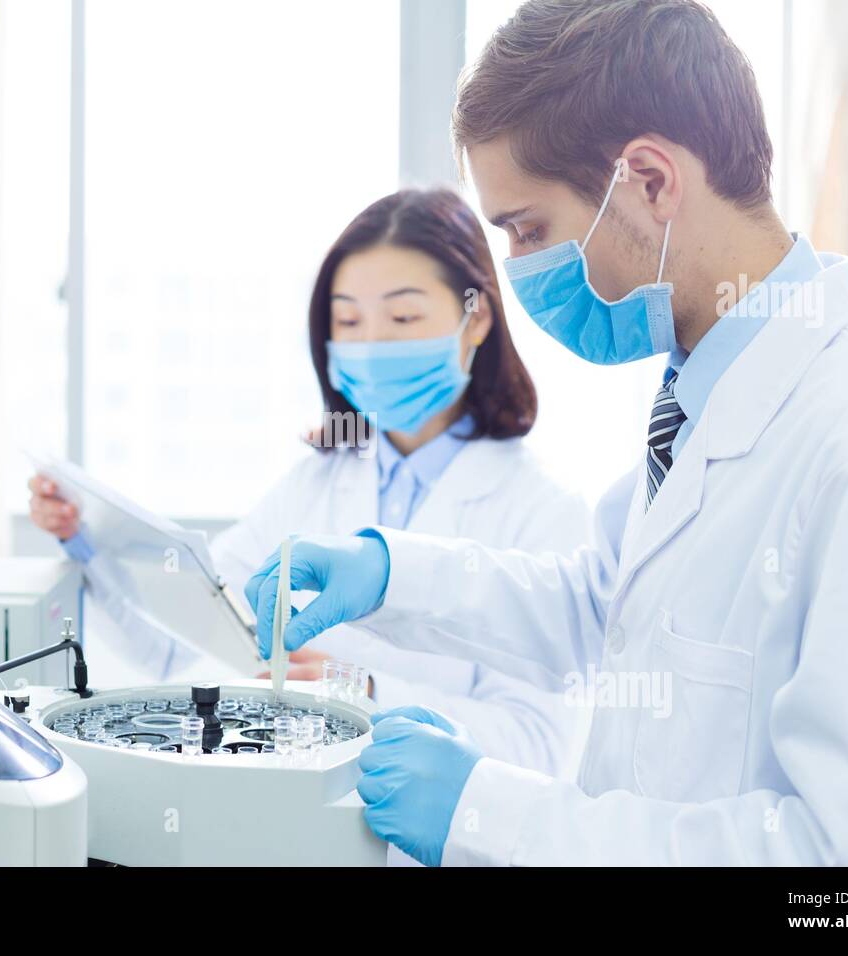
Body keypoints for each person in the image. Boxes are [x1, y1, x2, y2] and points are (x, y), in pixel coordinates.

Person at [242, 0, 848, 867]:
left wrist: (494, 814)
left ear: (652, 180)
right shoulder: (699, 397)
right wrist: (393, 573)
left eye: (528, 230)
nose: (515, 274)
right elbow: (602, 609)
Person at [30, 188, 593, 779]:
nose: (371, 344)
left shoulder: (545, 509)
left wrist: (366, 693)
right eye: (348, 320)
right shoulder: (316, 481)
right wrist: (92, 542)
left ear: (475, 315)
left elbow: (538, 746)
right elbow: (187, 644)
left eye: (403, 317)